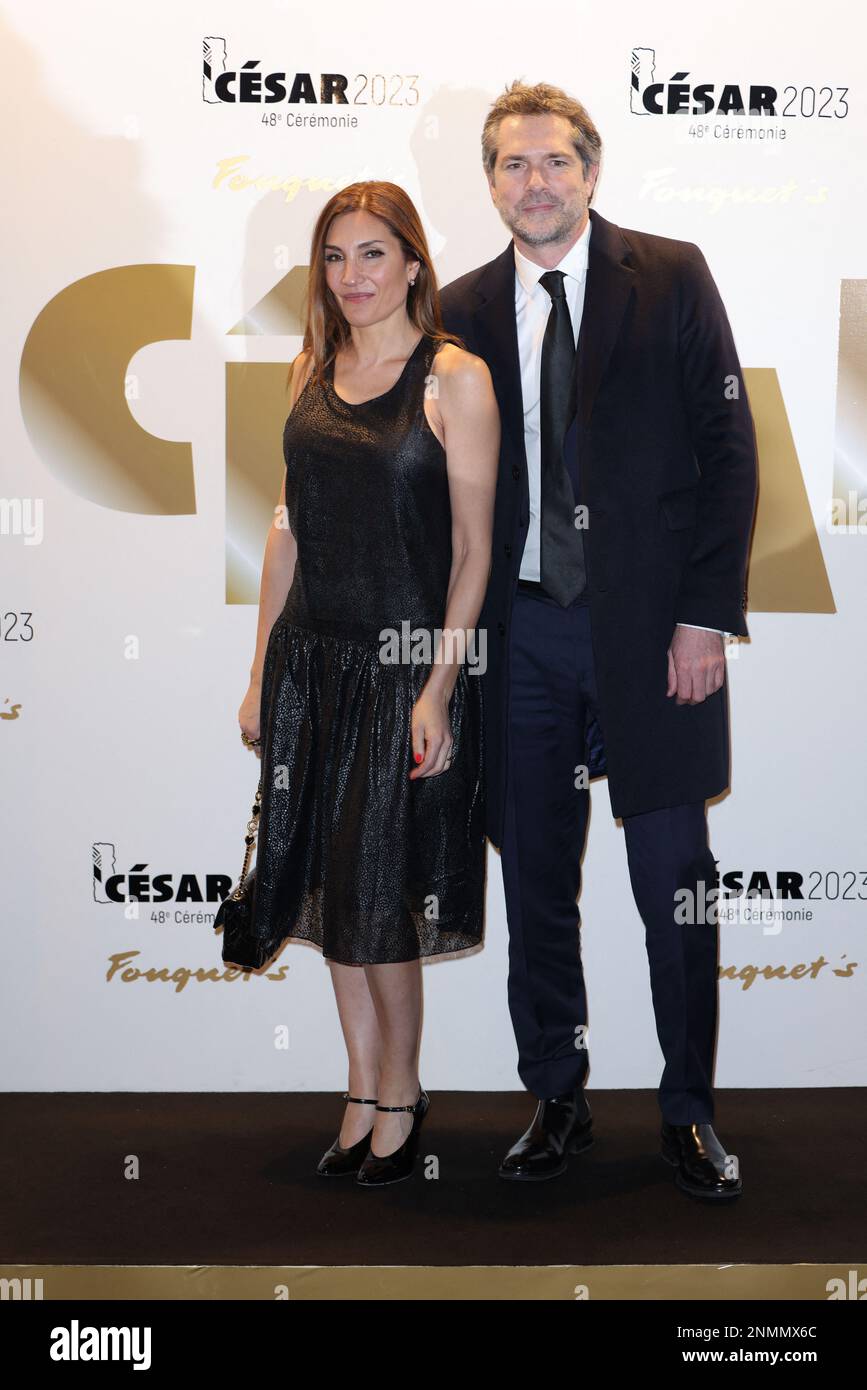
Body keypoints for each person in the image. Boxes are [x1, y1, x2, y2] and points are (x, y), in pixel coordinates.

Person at [440, 82, 757, 1200]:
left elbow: (729, 452)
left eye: (555, 162)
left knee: (677, 882)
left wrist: (704, 616)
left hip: (655, 639)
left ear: (591, 171)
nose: (536, 181)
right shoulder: (459, 309)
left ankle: (688, 1110)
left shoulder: (670, 274)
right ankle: (557, 1096)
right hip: (519, 637)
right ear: (490, 183)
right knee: (537, 881)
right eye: (514, 165)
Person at [227, 181, 499, 1187]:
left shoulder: (453, 378)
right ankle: (357, 1085)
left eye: (373, 254)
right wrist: (261, 671)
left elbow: (472, 554)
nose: (353, 276)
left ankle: (403, 1089)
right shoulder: (307, 365)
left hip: (401, 669)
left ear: (414, 262)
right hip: (313, 660)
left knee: (381, 894)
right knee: (326, 888)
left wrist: (438, 687)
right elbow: (286, 528)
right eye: (335, 257)